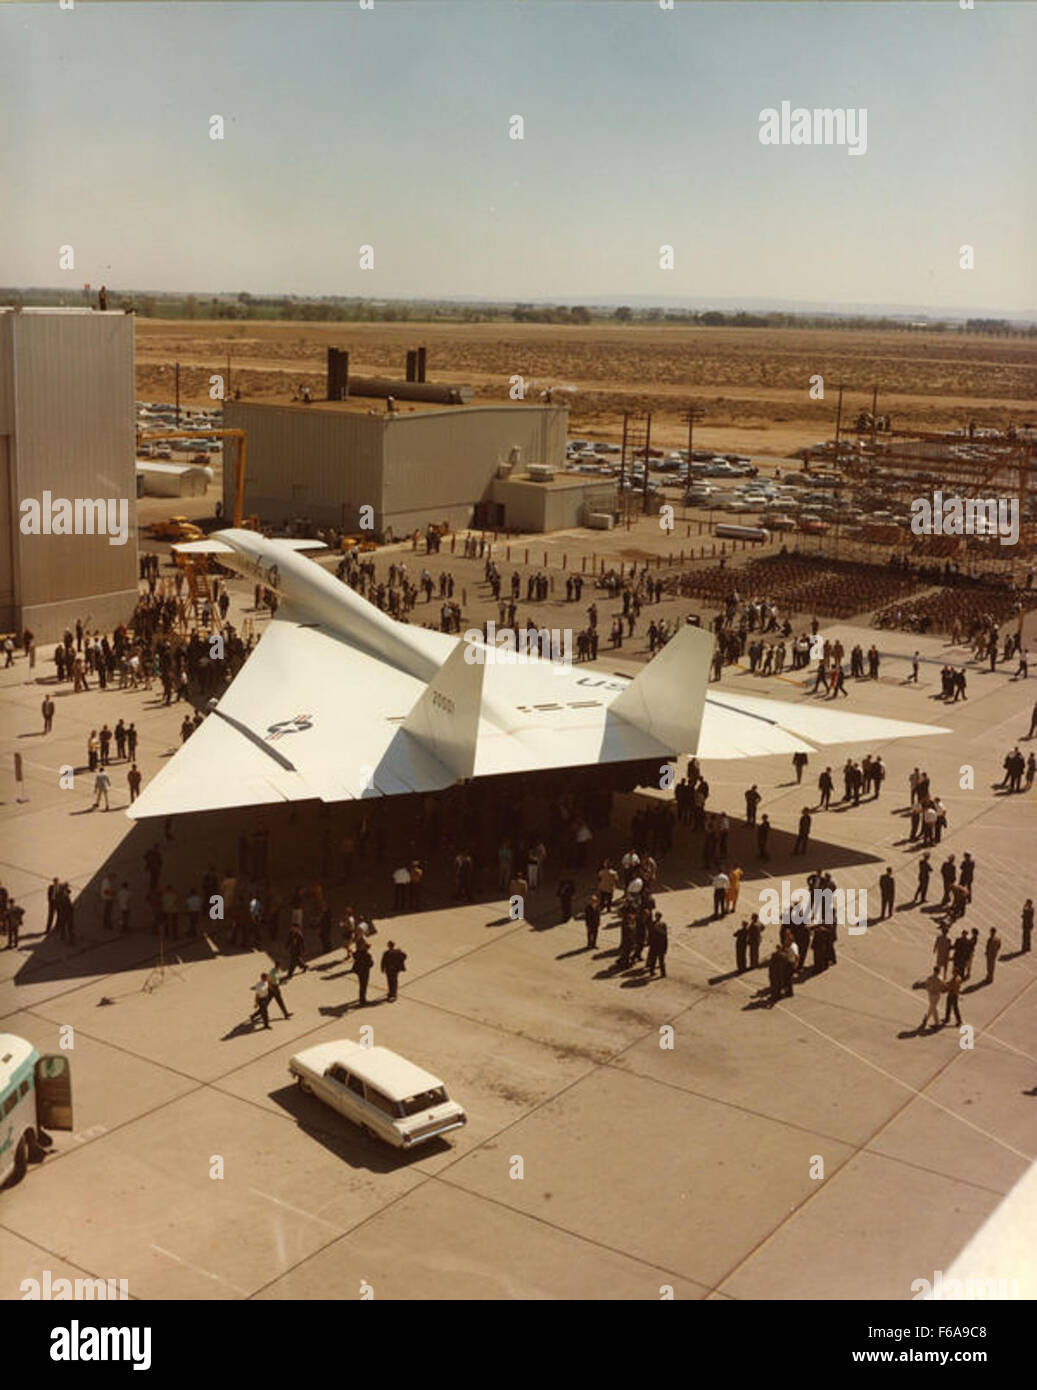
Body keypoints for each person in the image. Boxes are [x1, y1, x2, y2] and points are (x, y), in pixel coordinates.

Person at [920, 967, 945, 1031]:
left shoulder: (930, 978)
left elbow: (926, 985)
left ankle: (928, 1020)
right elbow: (943, 987)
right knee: (933, 1007)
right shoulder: (940, 979)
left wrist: (929, 989)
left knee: (932, 1007)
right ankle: (934, 1022)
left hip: (932, 994)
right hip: (936, 995)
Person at [645, 913, 668, 977]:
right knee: (654, 960)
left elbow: (665, 935)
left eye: (658, 916)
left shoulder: (662, 924)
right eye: (656, 916)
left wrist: (665, 947)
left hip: (659, 945)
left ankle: (662, 973)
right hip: (654, 944)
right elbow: (650, 934)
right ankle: (652, 971)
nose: (657, 918)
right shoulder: (653, 924)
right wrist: (648, 942)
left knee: (661, 961)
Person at [352, 937, 373, 1004]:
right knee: (363, 985)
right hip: (365, 971)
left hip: (359, 970)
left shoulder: (358, 952)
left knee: (361, 984)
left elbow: (354, 955)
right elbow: (371, 964)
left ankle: (361, 997)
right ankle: (362, 999)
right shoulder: (367, 955)